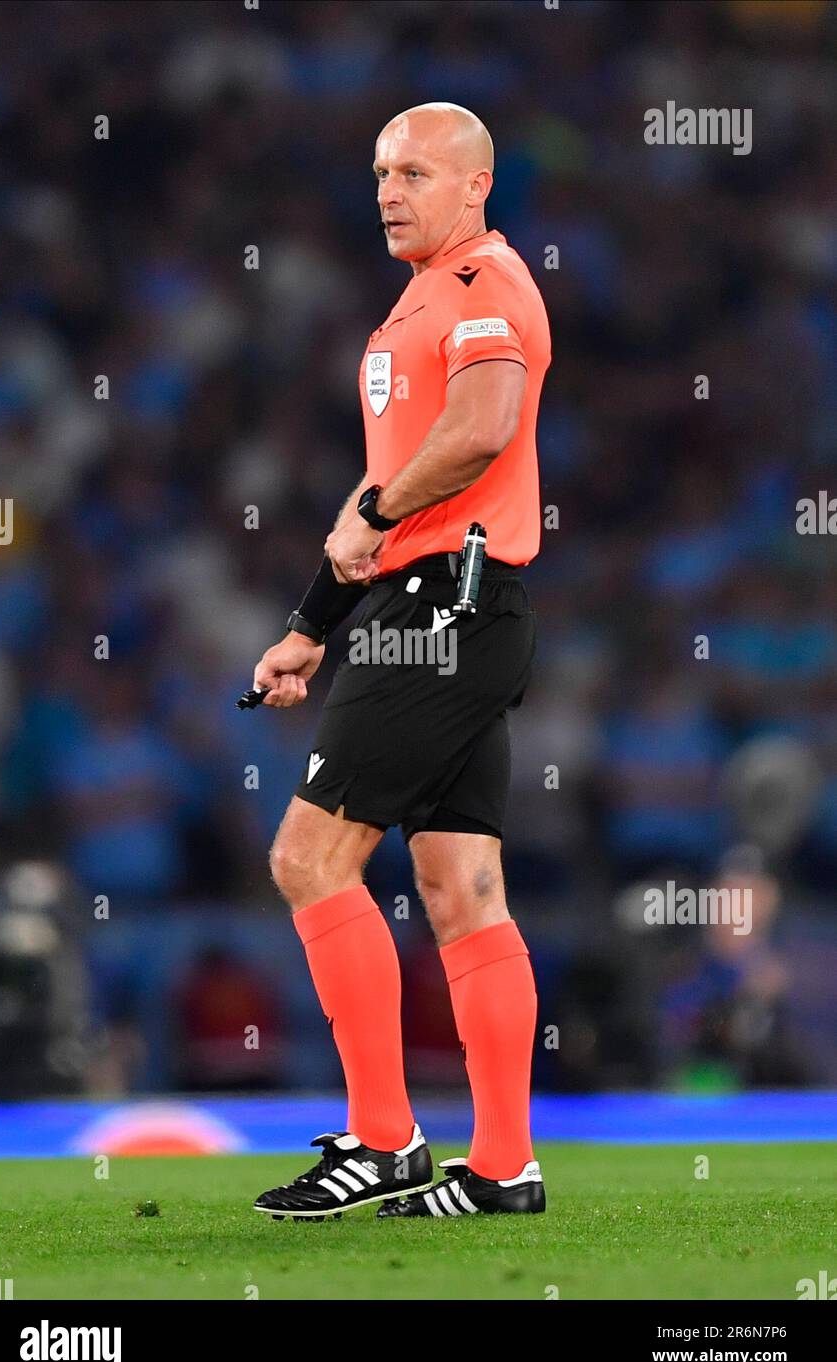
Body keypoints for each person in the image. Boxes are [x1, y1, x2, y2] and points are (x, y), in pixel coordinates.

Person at [251, 103, 552, 1220]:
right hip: (447, 602)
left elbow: (480, 428)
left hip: (442, 609)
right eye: (382, 171)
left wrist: (374, 515)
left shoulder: (484, 283)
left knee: (309, 858)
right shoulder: (422, 296)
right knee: (459, 887)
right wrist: (311, 625)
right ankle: (504, 1166)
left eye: (416, 172)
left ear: (476, 186)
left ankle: (384, 1140)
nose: (388, 189)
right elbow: (386, 496)